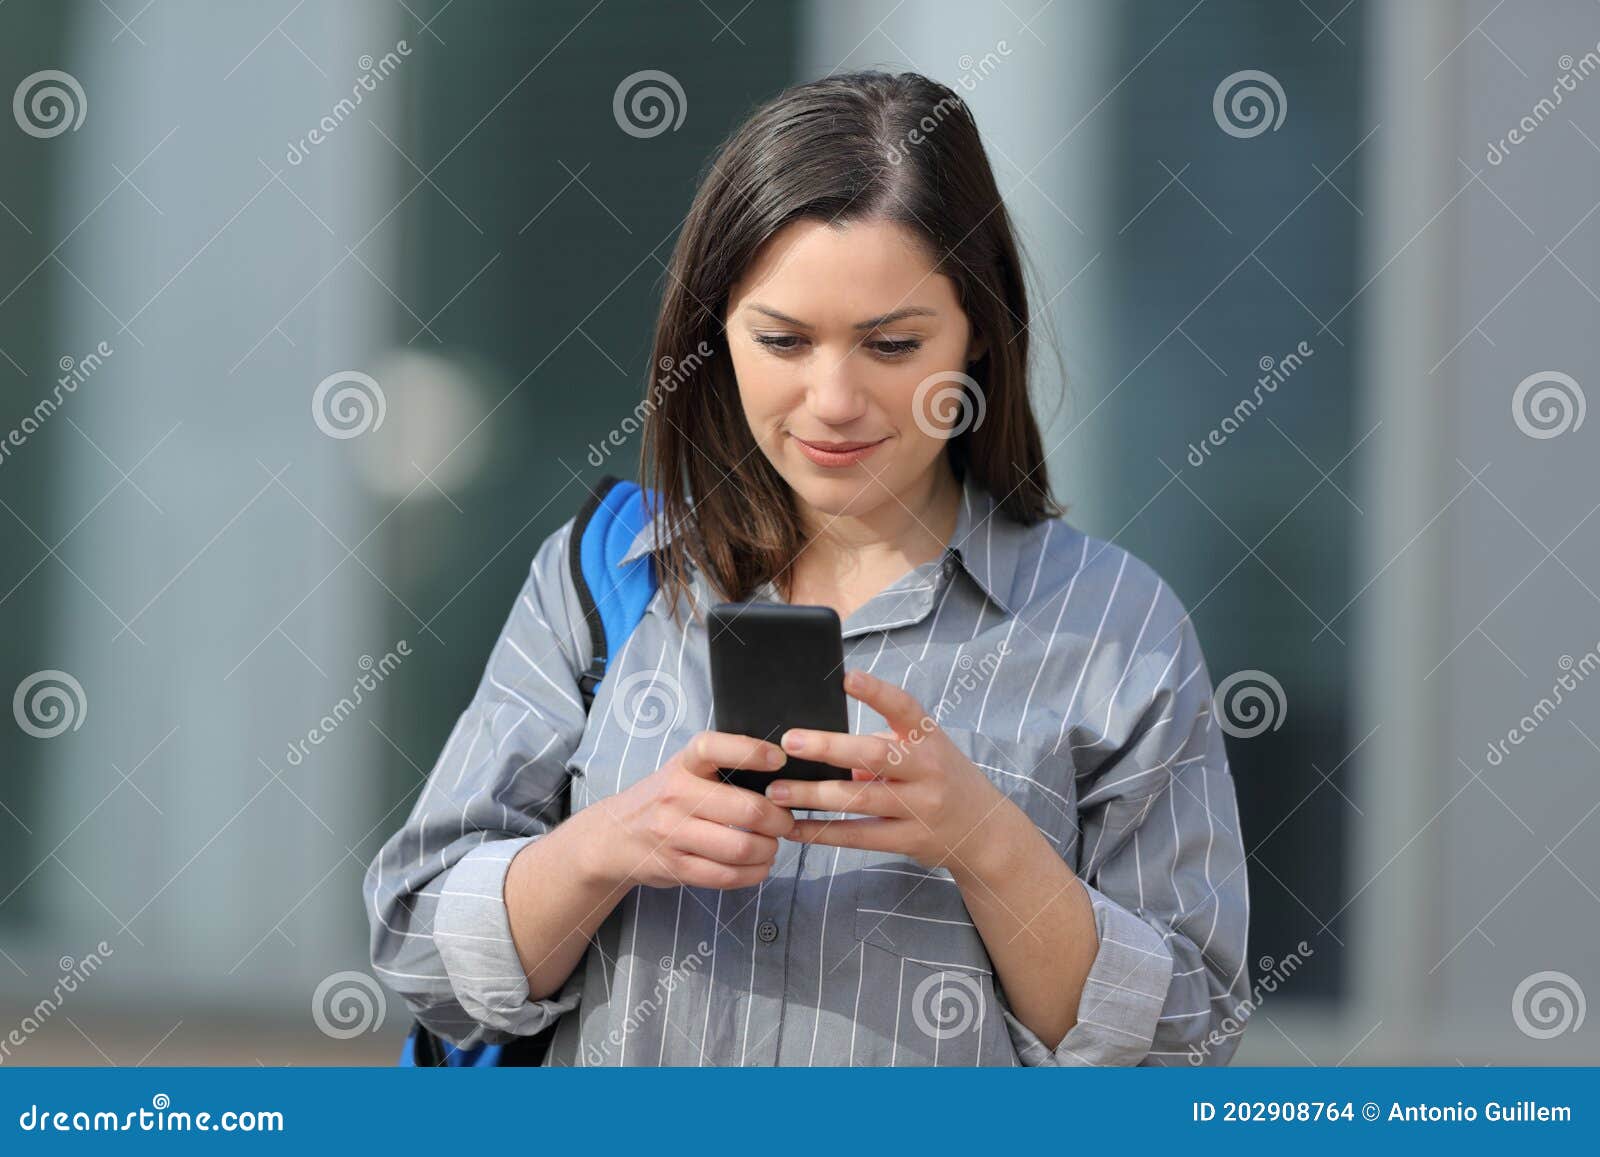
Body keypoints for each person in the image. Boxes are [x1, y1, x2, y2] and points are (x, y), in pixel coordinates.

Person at [365, 70, 1250, 1066]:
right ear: (714, 338)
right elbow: (417, 954)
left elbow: (1184, 1044)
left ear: (979, 342)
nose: (833, 398)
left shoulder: (1116, 625)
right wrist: (609, 842)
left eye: (891, 343)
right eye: (782, 339)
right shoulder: (605, 573)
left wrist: (982, 840)